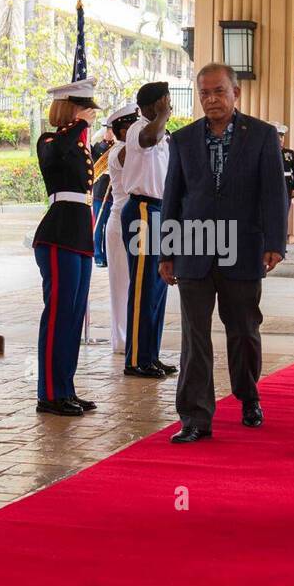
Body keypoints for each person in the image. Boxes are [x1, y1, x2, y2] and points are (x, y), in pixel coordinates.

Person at [159, 62, 286, 443]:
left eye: (218, 92)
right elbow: (173, 198)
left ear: (236, 94)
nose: (211, 100)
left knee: (244, 331)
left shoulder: (262, 136)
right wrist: (167, 252)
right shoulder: (181, 140)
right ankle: (195, 418)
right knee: (194, 337)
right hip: (194, 251)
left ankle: (248, 397)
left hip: (242, 249)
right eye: (204, 94)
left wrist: (274, 243)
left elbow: (273, 194)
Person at [34, 78, 100, 416]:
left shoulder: (79, 145)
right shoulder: (50, 141)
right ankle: (48, 393)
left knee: (73, 316)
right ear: (69, 109)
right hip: (58, 233)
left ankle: (66, 388)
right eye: (83, 109)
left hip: (80, 235)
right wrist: (78, 126)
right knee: (58, 314)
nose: (89, 116)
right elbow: (56, 152)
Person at [121, 81, 175, 379]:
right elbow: (148, 138)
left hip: (160, 211)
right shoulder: (138, 129)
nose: (169, 105)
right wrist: (162, 116)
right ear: (154, 104)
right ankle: (136, 359)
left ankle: (151, 355)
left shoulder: (162, 133)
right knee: (142, 289)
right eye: (165, 100)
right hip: (141, 210)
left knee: (158, 288)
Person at [101, 102, 138, 353]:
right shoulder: (121, 151)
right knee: (122, 284)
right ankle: (123, 340)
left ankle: (133, 338)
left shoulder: (130, 147)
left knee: (135, 284)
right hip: (121, 222)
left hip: (134, 221)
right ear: (123, 130)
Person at [91, 120, 115, 267]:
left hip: (113, 193)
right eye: (108, 129)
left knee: (109, 226)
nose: (110, 132)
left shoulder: (119, 148)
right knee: (99, 225)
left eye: (112, 129)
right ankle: (98, 255)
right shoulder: (99, 147)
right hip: (100, 192)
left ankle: (107, 255)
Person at [279, 125, 294, 206]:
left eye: (282, 136)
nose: (280, 139)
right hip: (271, 188)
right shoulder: (267, 152)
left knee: (285, 211)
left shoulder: (289, 153)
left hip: (287, 186)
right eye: (277, 136)